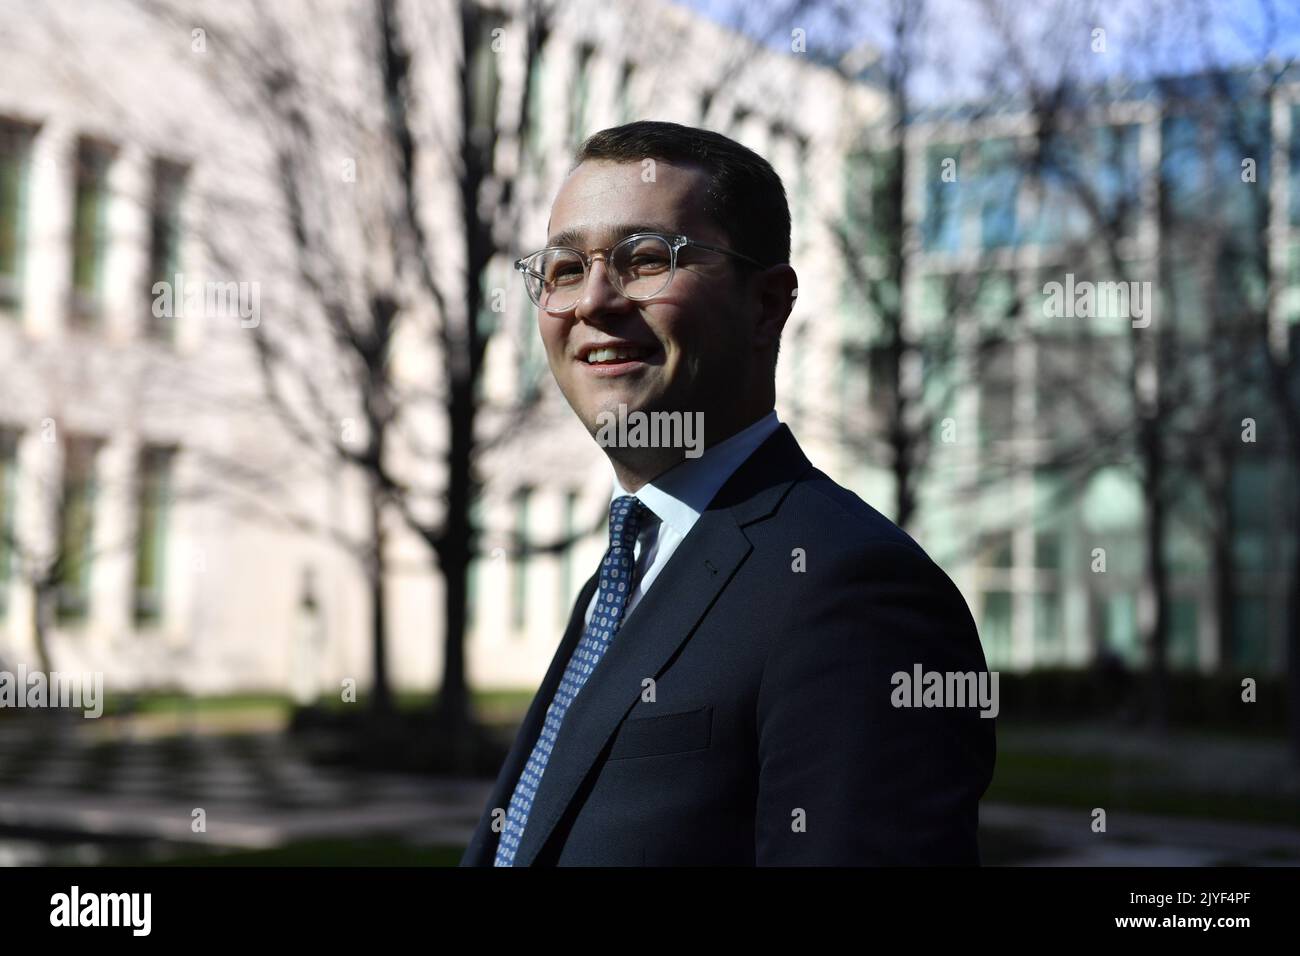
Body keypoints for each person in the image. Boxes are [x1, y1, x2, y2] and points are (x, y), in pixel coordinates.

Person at [460, 120, 995, 866]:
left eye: (646, 259)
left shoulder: (857, 594)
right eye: (564, 268)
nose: (594, 301)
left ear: (767, 305)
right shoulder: (627, 572)